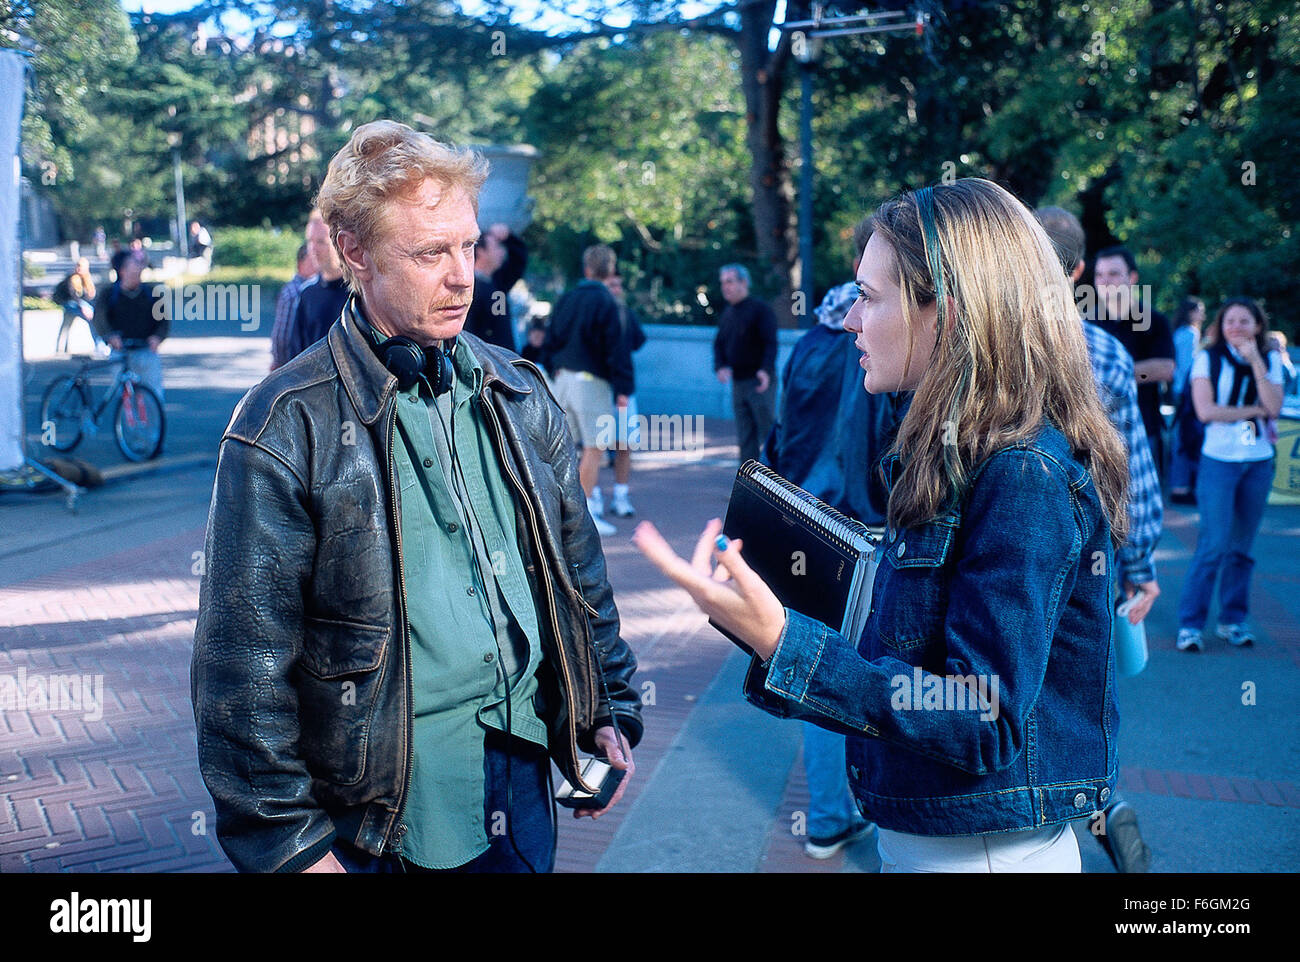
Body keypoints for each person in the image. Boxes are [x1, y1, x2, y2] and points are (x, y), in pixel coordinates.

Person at [636, 178, 1130, 872]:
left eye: (868, 298)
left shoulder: (1020, 472)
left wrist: (783, 642)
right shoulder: (951, 445)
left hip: (982, 855)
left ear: (947, 316)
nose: (847, 321)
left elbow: (979, 715)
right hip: (942, 840)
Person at [192, 120, 641, 875]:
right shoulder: (282, 426)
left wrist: (608, 709)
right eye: (431, 252)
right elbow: (242, 672)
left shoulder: (522, 392)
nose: (464, 276)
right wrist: (289, 847)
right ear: (355, 252)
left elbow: (579, 579)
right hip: (385, 811)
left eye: (467, 246)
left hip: (524, 776)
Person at [763, 215, 899, 860]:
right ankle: (870, 807)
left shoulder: (812, 339)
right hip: (874, 527)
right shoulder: (893, 336)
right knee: (876, 673)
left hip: (808, 524)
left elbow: (783, 430)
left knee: (820, 666)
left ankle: (826, 816)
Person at [1037, 205, 1160, 873]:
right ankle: (1094, 800)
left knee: (1009, 682)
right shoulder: (1107, 353)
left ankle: (1057, 812)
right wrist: (1139, 565)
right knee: (1083, 687)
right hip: (1089, 554)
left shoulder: (981, 342)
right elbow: (1130, 473)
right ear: (1080, 270)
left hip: (1006, 549)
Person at [1175, 297, 1285, 652]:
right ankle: (1190, 623)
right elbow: (1206, 411)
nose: (1236, 327)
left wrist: (1255, 360)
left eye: (1244, 320)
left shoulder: (1270, 360)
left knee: (1242, 549)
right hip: (1219, 461)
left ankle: (1233, 620)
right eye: (1230, 321)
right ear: (1220, 326)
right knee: (1213, 544)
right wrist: (1254, 409)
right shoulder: (1207, 358)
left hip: (1258, 462)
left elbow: (1276, 406)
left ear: (1257, 325)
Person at [541, 244, 634, 537]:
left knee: (564, 449)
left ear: (587, 269)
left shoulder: (567, 298)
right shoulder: (607, 301)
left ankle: (556, 515)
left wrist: (554, 367)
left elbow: (551, 338)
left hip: (563, 380)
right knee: (594, 449)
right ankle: (584, 519)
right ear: (610, 269)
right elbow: (615, 348)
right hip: (592, 382)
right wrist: (623, 387)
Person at [1087, 246, 1176, 477]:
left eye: (1114, 274)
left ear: (1132, 278)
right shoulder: (1086, 323)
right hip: (1095, 431)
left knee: (1143, 507)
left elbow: (1165, 369)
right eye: (1099, 275)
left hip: (1143, 429)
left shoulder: (1154, 320)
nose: (1105, 281)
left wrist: (1112, 375)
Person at [713, 264, 778, 464]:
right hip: (738, 382)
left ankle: (777, 483)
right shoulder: (728, 313)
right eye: (723, 283)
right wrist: (720, 365)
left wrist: (765, 370)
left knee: (768, 434)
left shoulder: (760, 310)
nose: (725, 287)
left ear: (743, 282)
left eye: (730, 282)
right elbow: (719, 343)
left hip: (758, 382)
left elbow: (770, 342)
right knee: (745, 437)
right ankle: (748, 488)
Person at [598, 272, 647, 519]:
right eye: (610, 284)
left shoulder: (626, 313)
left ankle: (620, 496)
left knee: (624, 444)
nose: (615, 289)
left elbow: (639, 340)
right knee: (593, 446)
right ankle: (592, 499)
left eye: (618, 285)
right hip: (599, 387)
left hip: (624, 389)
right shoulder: (595, 314)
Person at [92, 250, 168, 405]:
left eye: (139, 270)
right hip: (121, 351)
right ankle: (127, 426)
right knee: (125, 397)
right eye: (133, 269)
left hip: (146, 350)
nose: (137, 273)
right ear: (122, 271)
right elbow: (99, 319)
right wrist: (110, 336)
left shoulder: (152, 293)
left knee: (153, 395)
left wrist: (157, 337)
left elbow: (164, 320)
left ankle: (153, 426)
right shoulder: (109, 294)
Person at [284, 211, 350, 363]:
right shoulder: (307, 294)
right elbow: (295, 358)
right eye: (309, 241)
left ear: (340, 242)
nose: (312, 249)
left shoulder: (359, 292)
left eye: (320, 241)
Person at [464, 222, 527, 351]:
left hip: (506, 359)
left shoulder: (498, 282)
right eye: (497, 247)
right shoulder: (469, 288)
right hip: (488, 362)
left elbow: (519, 261)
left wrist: (509, 236)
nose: (502, 252)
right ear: (481, 252)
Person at [1169, 296, 1207, 504]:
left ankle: (1180, 484)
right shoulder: (1190, 334)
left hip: (1180, 390)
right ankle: (1181, 486)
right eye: (1200, 309)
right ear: (1191, 312)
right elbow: (1187, 367)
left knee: (1182, 436)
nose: (1203, 314)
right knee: (1185, 437)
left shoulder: (1181, 332)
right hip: (1187, 392)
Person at [269, 241, 318, 371]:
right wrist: (279, 365)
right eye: (312, 257)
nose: (317, 260)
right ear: (300, 263)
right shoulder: (293, 293)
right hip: (293, 367)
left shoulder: (317, 290)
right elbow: (282, 335)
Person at [53, 258, 99, 354]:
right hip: (70, 304)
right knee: (90, 320)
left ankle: (61, 348)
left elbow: (91, 295)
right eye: (77, 266)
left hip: (78, 305)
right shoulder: (73, 278)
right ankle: (99, 345)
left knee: (66, 325)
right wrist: (84, 307)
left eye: (81, 266)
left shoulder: (87, 278)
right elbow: (74, 296)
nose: (78, 268)